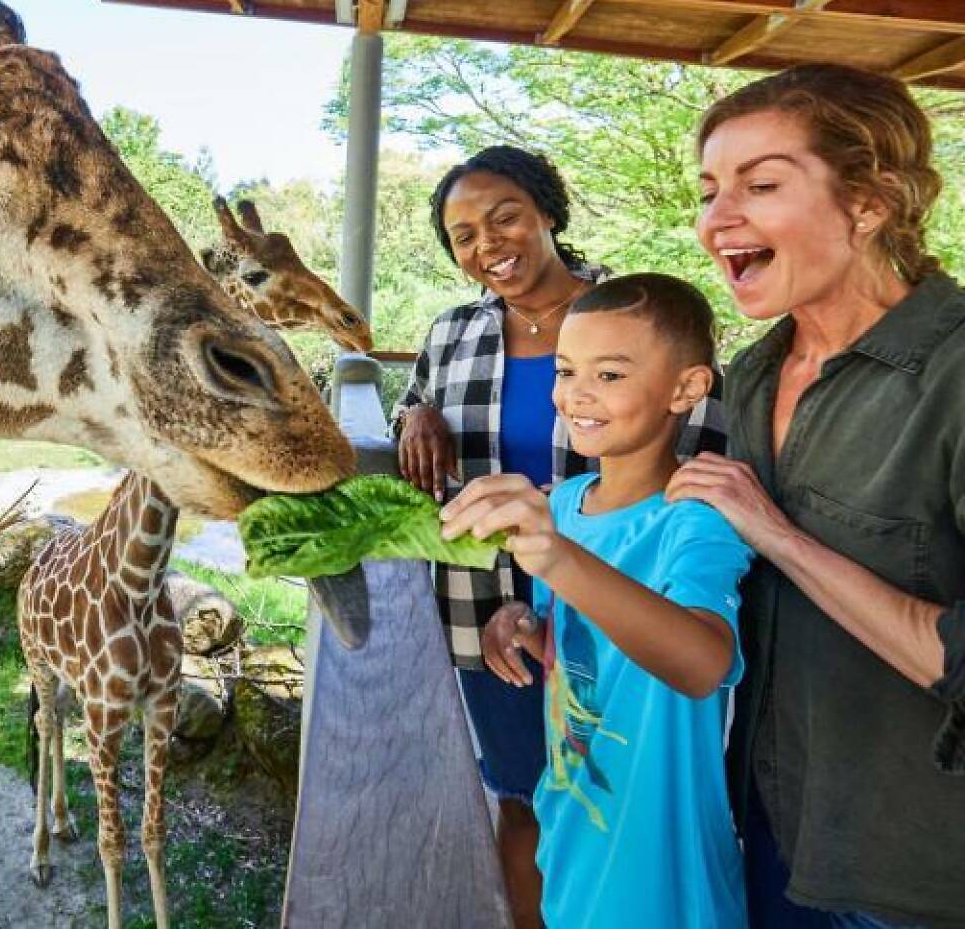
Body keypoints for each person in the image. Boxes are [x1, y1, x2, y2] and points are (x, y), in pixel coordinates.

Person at [391, 147, 722, 927]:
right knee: (523, 795)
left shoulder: (631, 315)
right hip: (490, 612)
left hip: (621, 609)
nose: (487, 244)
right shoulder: (453, 332)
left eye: (504, 216)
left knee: (623, 798)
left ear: (547, 211)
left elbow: (704, 452)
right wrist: (416, 414)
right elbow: (412, 399)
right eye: (463, 235)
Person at [667, 63, 965, 928]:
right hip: (773, 827)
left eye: (760, 185)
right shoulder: (756, 372)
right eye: (710, 191)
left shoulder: (952, 375)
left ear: (868, 204)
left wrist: (782, 537)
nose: (717, 219)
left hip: (913, 878)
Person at [446, 273, 751, 929]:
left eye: (609, 374)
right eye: (565, 371)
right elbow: (585, 655)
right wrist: (525, 625)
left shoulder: (697, 520)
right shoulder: (564, 504)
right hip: (573, 822)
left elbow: (702, 664)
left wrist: (556, 557)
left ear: (687, 389)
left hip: (658, 860)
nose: (576, 394)